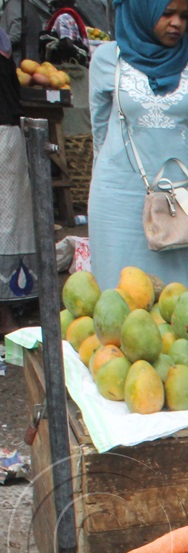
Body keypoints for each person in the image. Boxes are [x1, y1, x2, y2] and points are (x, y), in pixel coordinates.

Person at [88, 0, 188, 299]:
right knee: (122, 300)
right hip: (120, 198)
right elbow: (100, 130)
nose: (177, 23)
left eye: (183, 16)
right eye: (166, 13)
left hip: (184, 199)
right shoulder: (107, 58)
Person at [0, 26, 33, 337]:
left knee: (9, 222)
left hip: (5, 133)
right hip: (5, 135)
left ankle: (9, 308)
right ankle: (6, 312)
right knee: (7, 222)